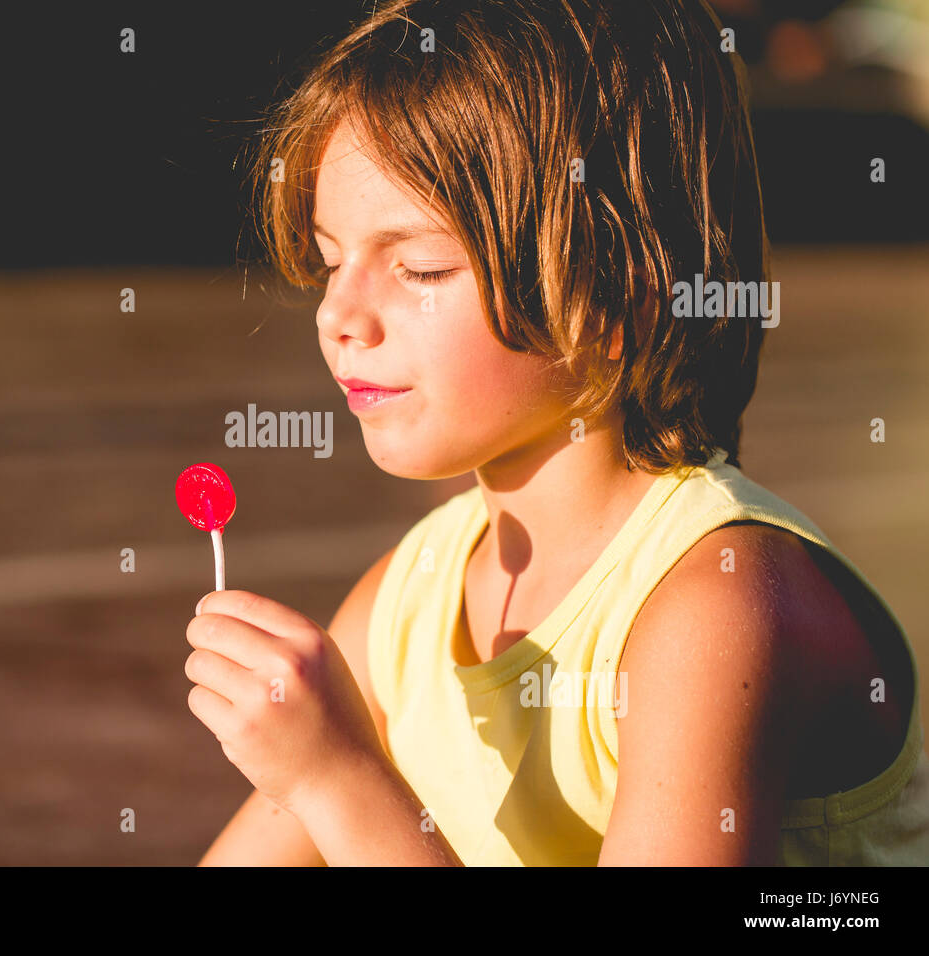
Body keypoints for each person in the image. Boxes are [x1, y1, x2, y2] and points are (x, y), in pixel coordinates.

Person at [183, 0, 929, 865]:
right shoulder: (403, 601)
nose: (338, 315)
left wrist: (335, 781)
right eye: (329, 260)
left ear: (614, 298)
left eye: (418, 266)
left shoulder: (716, 608)